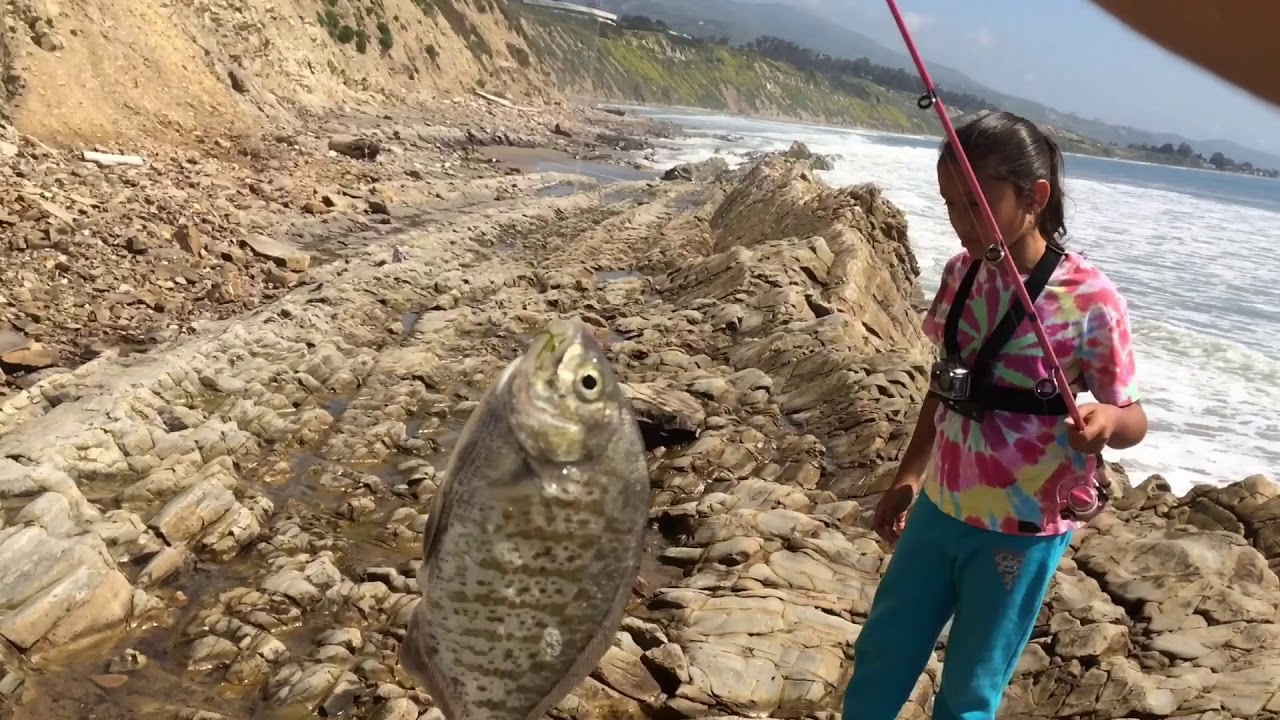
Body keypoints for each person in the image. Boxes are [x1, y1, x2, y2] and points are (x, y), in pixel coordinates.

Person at [842, 111, 1148, 720]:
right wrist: (908, 477)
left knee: (970, 691)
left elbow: (1132, 415)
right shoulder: (961, 274)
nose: (961, 224)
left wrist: (1105, 425)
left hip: (1020, 532)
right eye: (950, 205)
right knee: (881, 654)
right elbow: (946, 384)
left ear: (1035, 198)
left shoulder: (1091, 301)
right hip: (939, 509)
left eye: (976, 206)